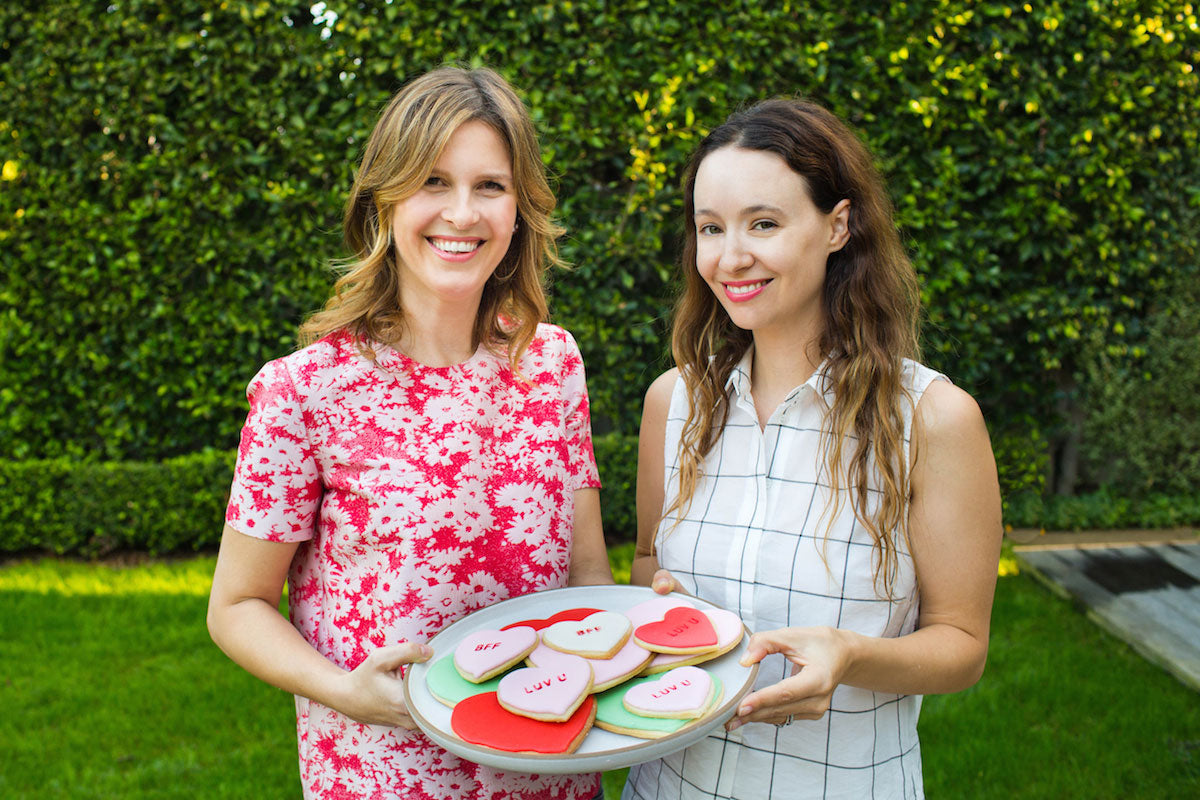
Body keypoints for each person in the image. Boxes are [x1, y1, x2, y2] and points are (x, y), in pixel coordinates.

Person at [207, 66, 612, 800]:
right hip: (386, 773)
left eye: (490, 186)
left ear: (519, 209)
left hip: (551, 770)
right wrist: (341, 690)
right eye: (432, 181)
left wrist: (640, 645)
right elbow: (236, 607)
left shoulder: (553, 363)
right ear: (385, 200)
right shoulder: (305, 390)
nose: (462, 212)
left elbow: (586, 578)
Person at [624, 99, 1002, 799]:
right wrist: (656, 606)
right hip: (670, 783)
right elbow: (650, 561)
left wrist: (851, 655)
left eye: (763, 223)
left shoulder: (934, 419)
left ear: (838, 225)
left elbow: (961, 643)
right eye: (710, 228)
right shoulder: (671, 403)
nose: (730, 256)